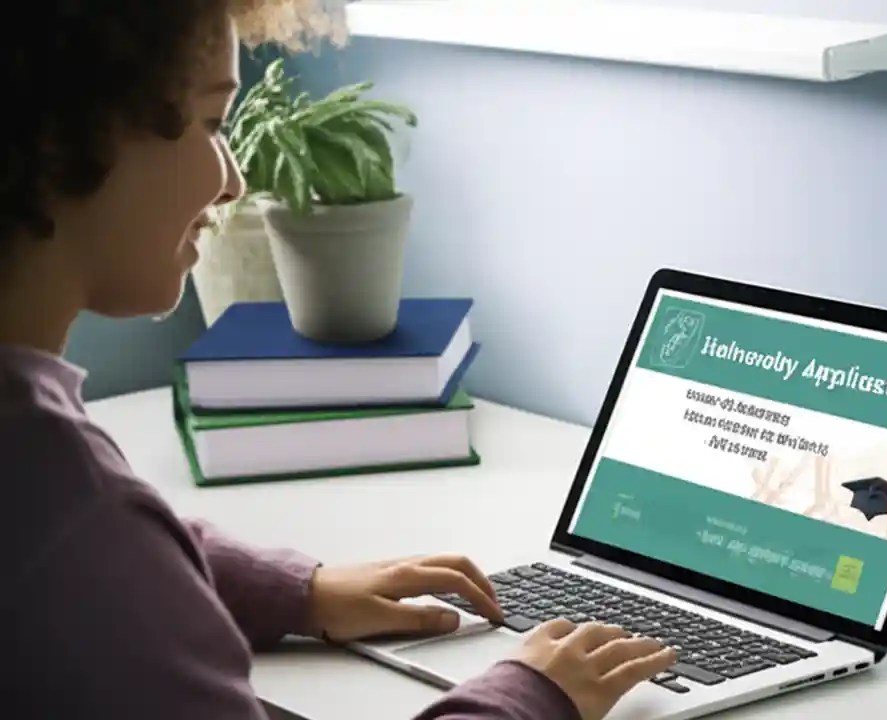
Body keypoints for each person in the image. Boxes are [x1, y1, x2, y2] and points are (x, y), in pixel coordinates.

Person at [0, 2, 676, 718]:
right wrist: (530, 696)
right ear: (54, 140)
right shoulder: (71, 506)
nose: (231, 181)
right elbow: (93, 552)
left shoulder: (54, 496)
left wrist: (296, 591)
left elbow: (107, 574)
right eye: (208, 124)